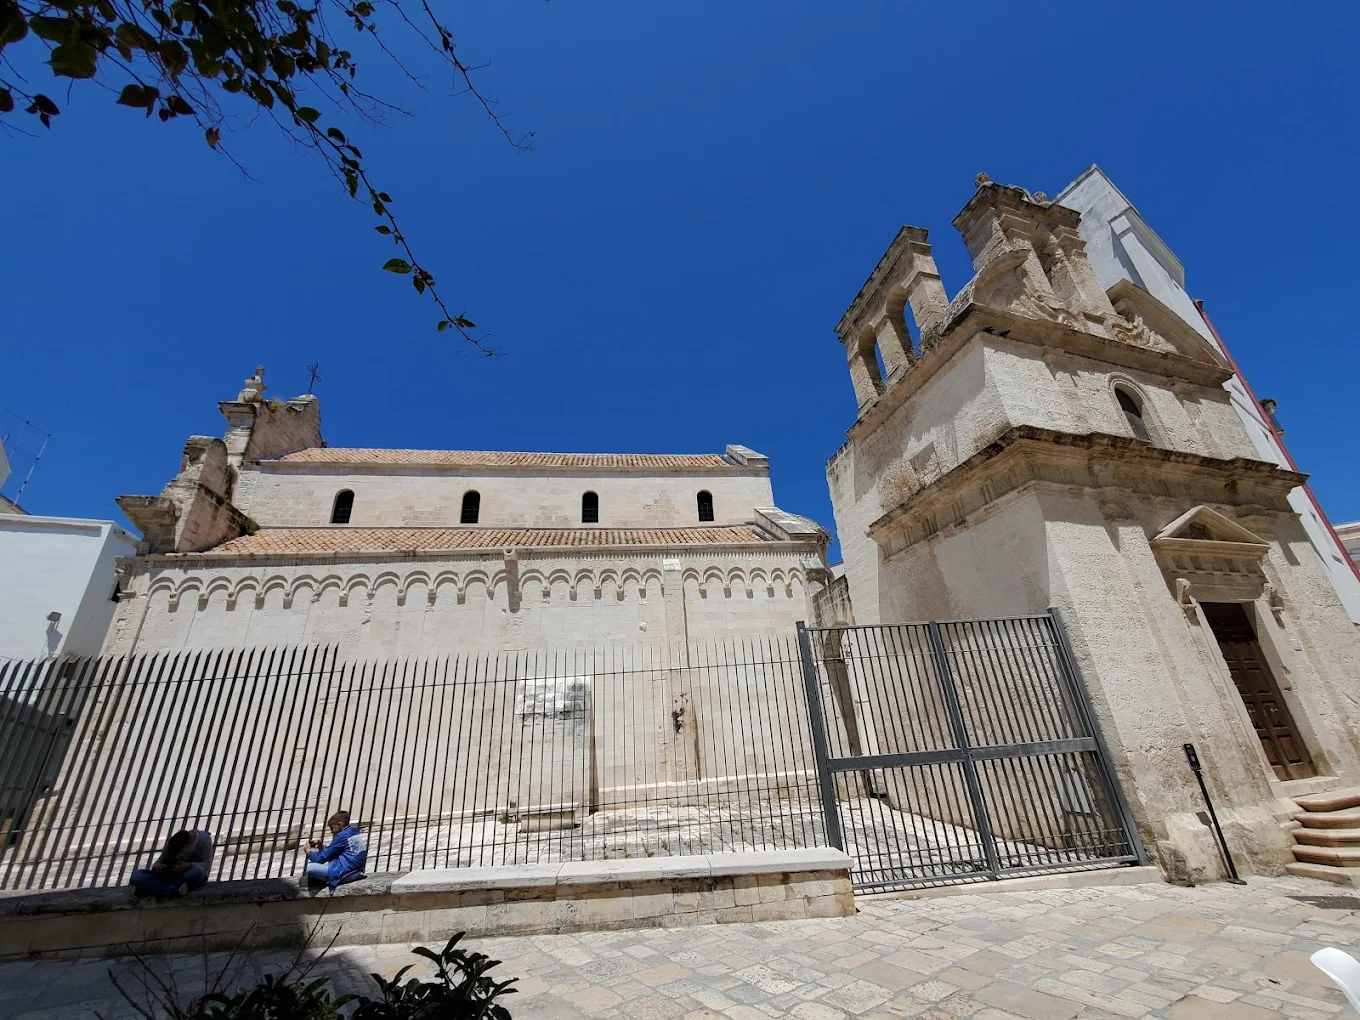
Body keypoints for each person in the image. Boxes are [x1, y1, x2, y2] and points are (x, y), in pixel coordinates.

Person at [130, 828, 214, 898]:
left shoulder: (204, 840)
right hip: (169, 876)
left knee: (198, 871)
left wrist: (188, 865)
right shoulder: (172, 842)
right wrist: (157, 867)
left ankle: (158, 890)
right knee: (136, 875)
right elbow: (160, 861)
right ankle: (171, 890)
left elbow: (206, 864)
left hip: (186, 875)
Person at [304, 811, 367, 889]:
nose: (331, 831)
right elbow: (333, 851)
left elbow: (319, 859)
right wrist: (321, 846)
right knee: (318, 860)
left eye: (332, 828)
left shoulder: (341, 836)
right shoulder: (353, 831)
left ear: (339, 825)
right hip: (356, 870)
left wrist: (308, 851)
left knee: (310, 867)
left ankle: (326, 880)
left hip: (347, 873)